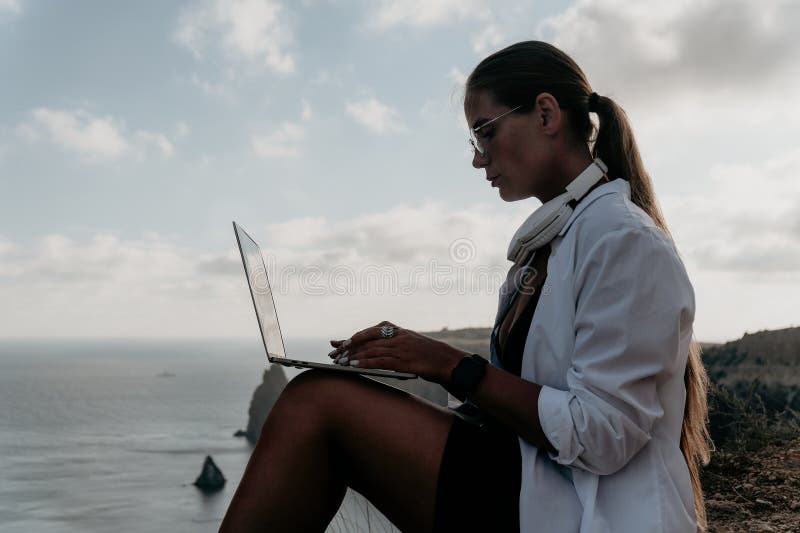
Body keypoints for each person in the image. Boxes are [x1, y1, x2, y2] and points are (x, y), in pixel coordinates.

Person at [219, 40, 710, 533]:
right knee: (324, 397)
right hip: (537, 485)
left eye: (485, 133)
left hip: (580, 511)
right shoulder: (558, 237)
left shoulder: (623, 239)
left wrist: (448, 365)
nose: (479, 159)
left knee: (317, 402)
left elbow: (602, 436)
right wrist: (425, 378)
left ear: (545, 114)